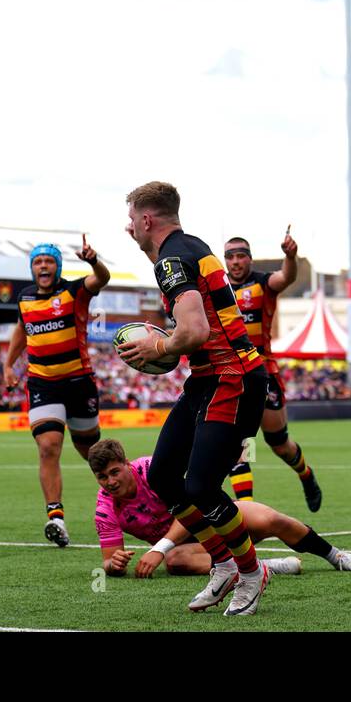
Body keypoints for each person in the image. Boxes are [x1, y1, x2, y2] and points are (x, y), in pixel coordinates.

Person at [119, 182, 270, 616]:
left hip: (233, 378)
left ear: (147, 220)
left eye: (132, 219)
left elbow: (195, 332)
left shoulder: (171, 259)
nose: (129, 227)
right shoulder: (190, 247)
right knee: (164, 476)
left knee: (201, 487)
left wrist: (159, 348)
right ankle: (222, 562)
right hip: (209, 379)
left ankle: (250, 571)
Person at [88, 438, 351, 584]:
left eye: (115, 472)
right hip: (188, 549)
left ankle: (337, 556)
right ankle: (263, 567)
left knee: (271, 519)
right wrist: (114, 566)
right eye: (103, 477)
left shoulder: (153, 469)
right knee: (176, 562)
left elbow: (193, 505)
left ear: (126, 464)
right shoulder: (105, 509)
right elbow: (109, 561)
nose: (111, 482)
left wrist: (158, 547)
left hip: (209, 517)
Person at [2, 235, 110, 547]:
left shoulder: (74, 290)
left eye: (48, 261)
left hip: (79, 383)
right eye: (37, 262)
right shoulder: (24, 298)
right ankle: (56, 518)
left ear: (58, 266)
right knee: (49, 446)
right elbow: (22, 330)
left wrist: (93, 260)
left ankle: (125, 497)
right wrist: (8, 365)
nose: (43, 266)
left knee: (91, 452)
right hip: (42, 384)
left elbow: (102, 278)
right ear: (32, 269)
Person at [223, 231, 323, 512]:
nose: (235, 261)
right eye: (230, 256)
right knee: (240, 445)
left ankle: (306, 475)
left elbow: (287, 277)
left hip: (263, 373)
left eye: (241, 255)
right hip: (233, 375)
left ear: (249, 258)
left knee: (279, 444)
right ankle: (248, 512)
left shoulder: (263, 282)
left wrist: (290, 256)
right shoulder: (218, 288)